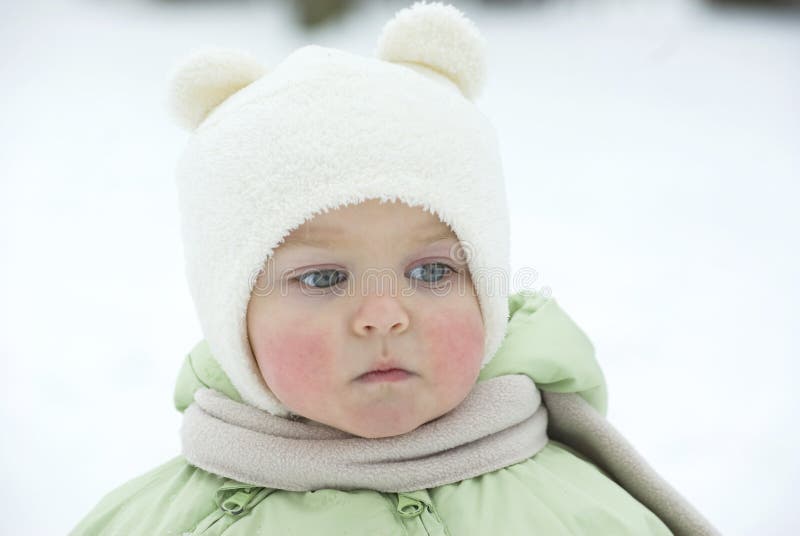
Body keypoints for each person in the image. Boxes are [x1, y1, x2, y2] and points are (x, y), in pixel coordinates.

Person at [70, 2, 720, 534]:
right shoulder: (152, 524)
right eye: (323, 278)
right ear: (230, 313)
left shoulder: (578, 516)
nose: (384, 314)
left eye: (433, 272)